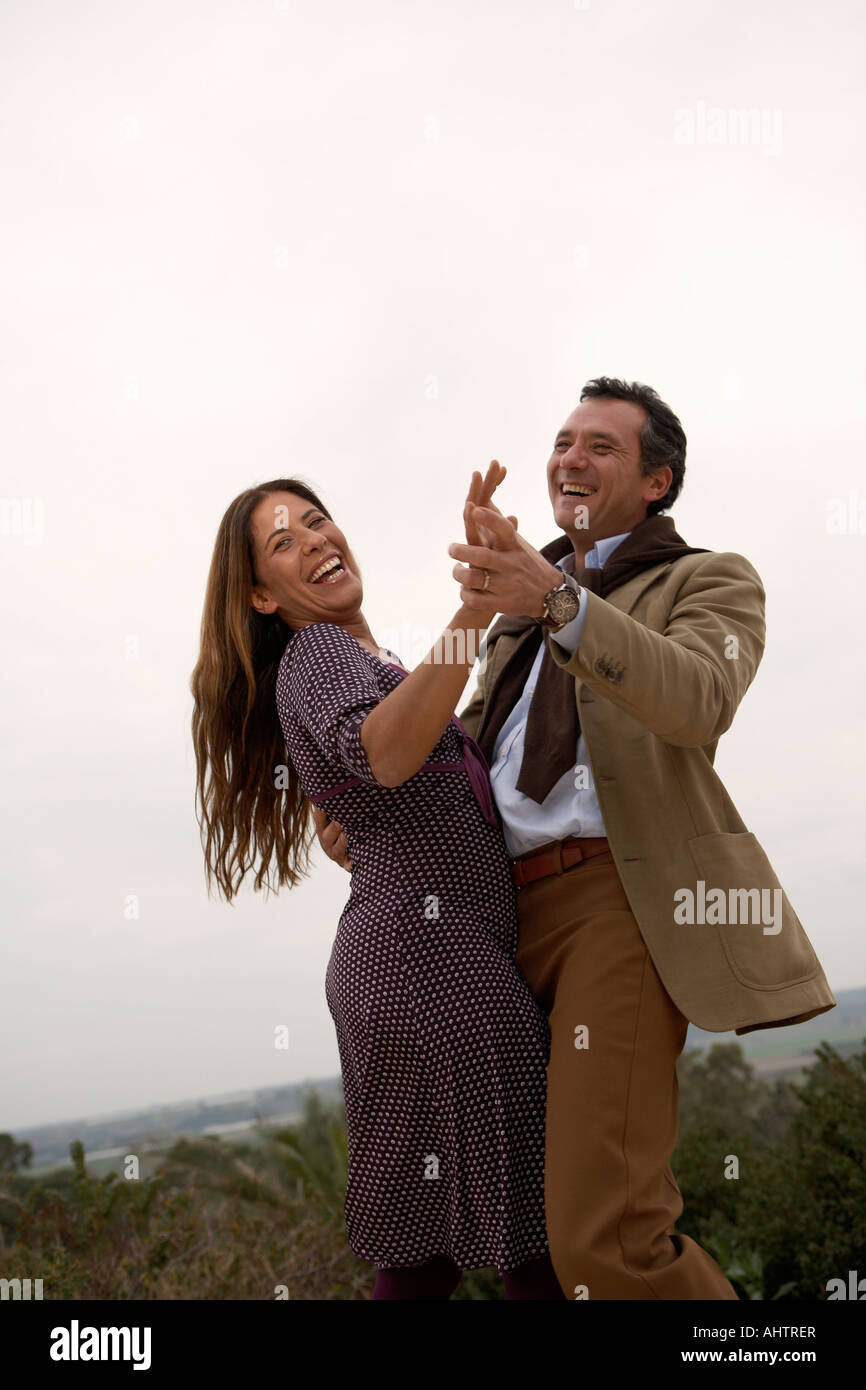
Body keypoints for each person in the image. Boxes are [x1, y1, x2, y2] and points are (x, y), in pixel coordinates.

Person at [320, 377, 836, 1300]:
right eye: (563, 440)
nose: (571, 458)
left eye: (601, 445)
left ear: (657, 481)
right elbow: (468, 757)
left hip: (618, 908)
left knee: (605, 1239)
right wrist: (374, 818)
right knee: (534, 1242)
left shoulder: (709, 579)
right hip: (492, 920)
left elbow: (695, 697)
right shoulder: (517, 610)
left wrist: (560, 599)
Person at [189, 468, 564, 1300]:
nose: (314, 539)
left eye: (317, 521)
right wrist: (478, 603)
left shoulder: (369, 658)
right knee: (538, 1235)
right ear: (258, 597)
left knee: (421, 1252)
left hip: (404, 966)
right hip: (434, 966)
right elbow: (388, 755)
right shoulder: (316, 652)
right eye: (282, 542)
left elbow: (395, 771)